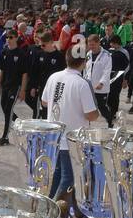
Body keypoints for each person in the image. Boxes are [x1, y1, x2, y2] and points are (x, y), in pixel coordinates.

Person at [41, 49, 100, 196]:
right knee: (68, 178)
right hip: (71, 140)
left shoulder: (54, 76)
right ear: (84, 63)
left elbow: (44, 102)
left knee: (56, 175)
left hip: (53, 137)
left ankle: (47, 206)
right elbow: (91, 115)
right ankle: (54, 209)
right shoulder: (82, 83)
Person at [0, 28, 29, 144]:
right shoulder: (4, 52)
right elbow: (1, 70)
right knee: (4, 107)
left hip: (16, 86)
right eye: (7, 37)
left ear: (16, 38)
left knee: (8, 110)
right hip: (6, 85)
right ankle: (20, 123)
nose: (8, 39)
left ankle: (5, 137)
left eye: (11, 37)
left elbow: (25, 73)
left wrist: (23, 90)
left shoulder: (21, 54)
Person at [84, 34, 112, 124]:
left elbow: (107, 71)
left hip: (100, 88)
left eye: (93, 45)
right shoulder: (88, 54)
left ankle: (110, 122)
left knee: (102, 108)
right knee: (87, 107)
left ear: (98, 43)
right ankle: (86, 124)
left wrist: (102, 83)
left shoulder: (106, 55)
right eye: (89, 45)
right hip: (89, 87)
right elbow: (86, 70)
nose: (91, 47)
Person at [106, 35, 130, 121]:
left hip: (119, 76)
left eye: (113, 43)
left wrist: (125, 79)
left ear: (117, 43)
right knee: (108, 95)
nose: (111, 45)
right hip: (108, 76)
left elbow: (127, 67)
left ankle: (113, 113)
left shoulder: (124, 52)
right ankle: (109, 110)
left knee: (115, 95)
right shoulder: (109, 51)